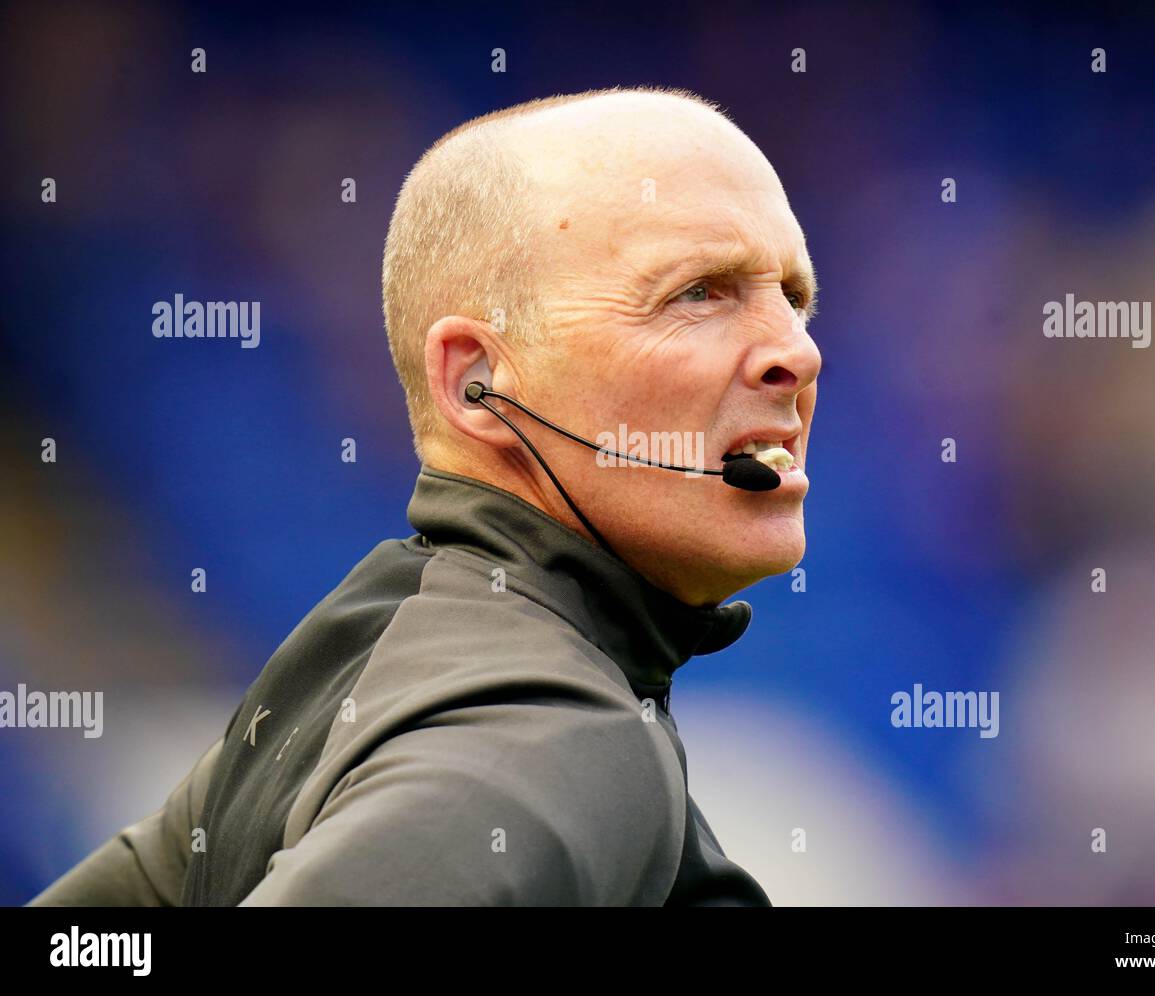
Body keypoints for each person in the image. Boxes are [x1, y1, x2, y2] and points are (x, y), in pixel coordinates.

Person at [27, 84, 821, 906]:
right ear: (476, 382)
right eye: (698, 293)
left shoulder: (358, 652)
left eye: (795, 299)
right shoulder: (551, 733)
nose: (797, 354)